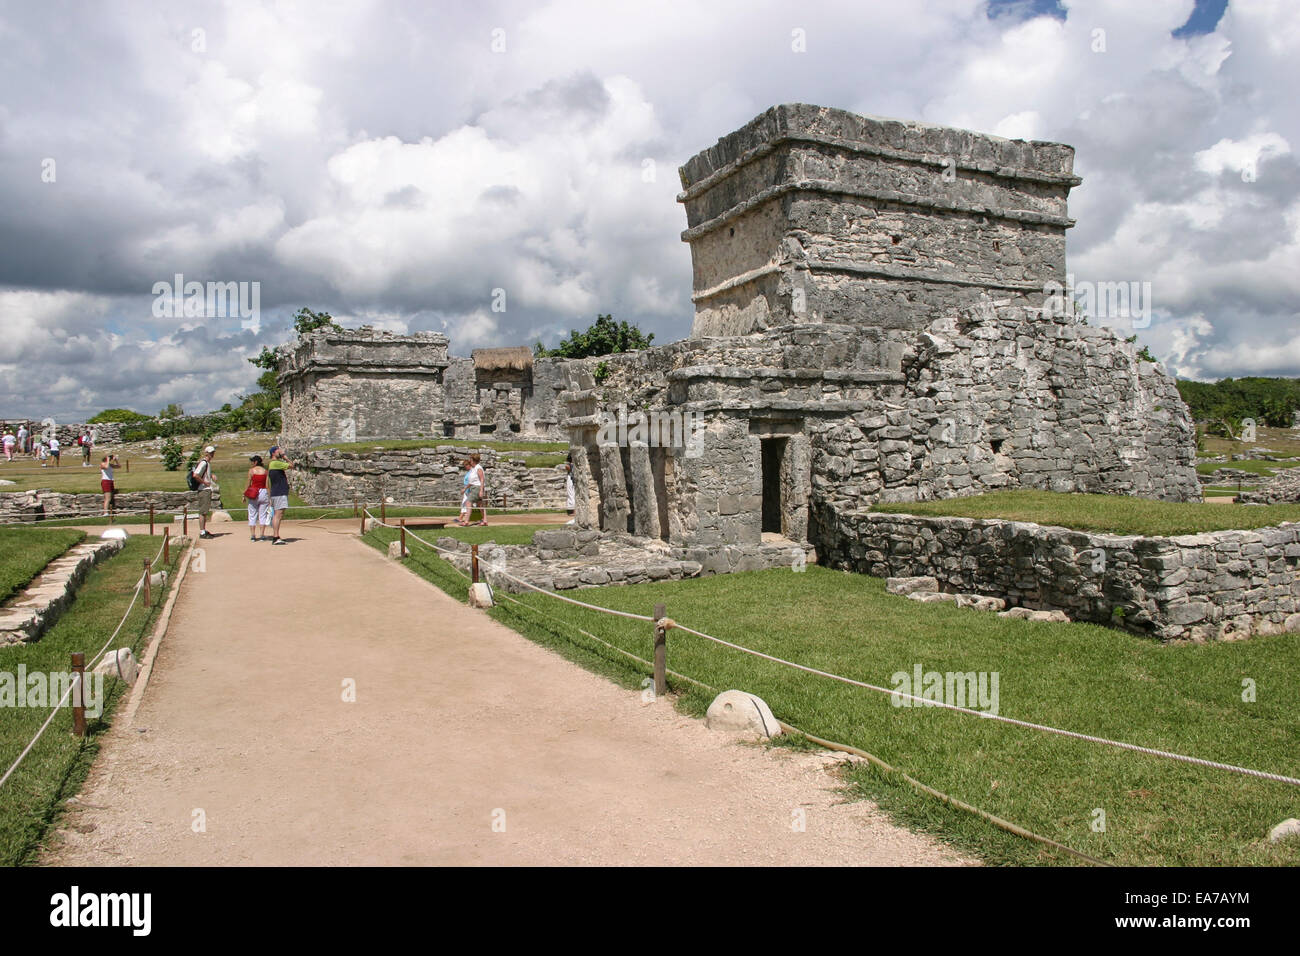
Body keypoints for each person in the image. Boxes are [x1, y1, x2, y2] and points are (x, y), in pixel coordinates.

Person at [267, 446, 294, 545]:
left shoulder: (273, 464)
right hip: (279, 492)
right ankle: (275, 536)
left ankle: (276, 536)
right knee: (278, 515)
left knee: (277, 515)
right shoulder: (276, 463)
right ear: (274, 453)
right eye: (279, 450)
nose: (281, 452)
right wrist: (285, 457)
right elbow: (291, 465)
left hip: (276, 492)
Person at [192, 445, 217, 539]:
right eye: (210, 453)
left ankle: (203, 530)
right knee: (203, 511)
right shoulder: (204, 463)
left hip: (205, 489)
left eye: (213, 452)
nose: (212, 454)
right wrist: (204, 483)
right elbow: (195, 475)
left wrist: (211, 476)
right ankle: (202, 532)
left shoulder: (207, 463)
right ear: (206, 453)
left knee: (204, 511)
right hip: (204, 489)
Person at [457, 453, 488, 526]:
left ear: (473, 460)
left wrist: (481, 490)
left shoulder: (478, 468)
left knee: (468, 502)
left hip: (477, 488)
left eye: (471, 459)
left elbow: (482, 479)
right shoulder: (473, 469)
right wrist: (465, 489)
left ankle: (466, 521)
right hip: (473, 487)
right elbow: (471, 482)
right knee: (480, 505)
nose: (470, 461)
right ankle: (485, 521)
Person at [246, 455, 271, 541]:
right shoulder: (265, 471)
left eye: (252, 462)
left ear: (255, 462)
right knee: (263, 515)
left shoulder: (251, 471)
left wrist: (244, 494)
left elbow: (248, 484)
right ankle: (262, 535)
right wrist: (269, 497)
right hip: (263, 493)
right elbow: (267, 486)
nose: (251, 463)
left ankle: (253, 535)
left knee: (252, 515)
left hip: (254, 492)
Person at [564, 451, 576, 524]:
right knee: (571, 494)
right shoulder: (570, 464)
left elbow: (567, 467)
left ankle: (573, 510)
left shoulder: (573, 464)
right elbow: (567, 467)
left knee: (573, 494)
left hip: (573, 478)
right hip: (571, 478)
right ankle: (571, 509)